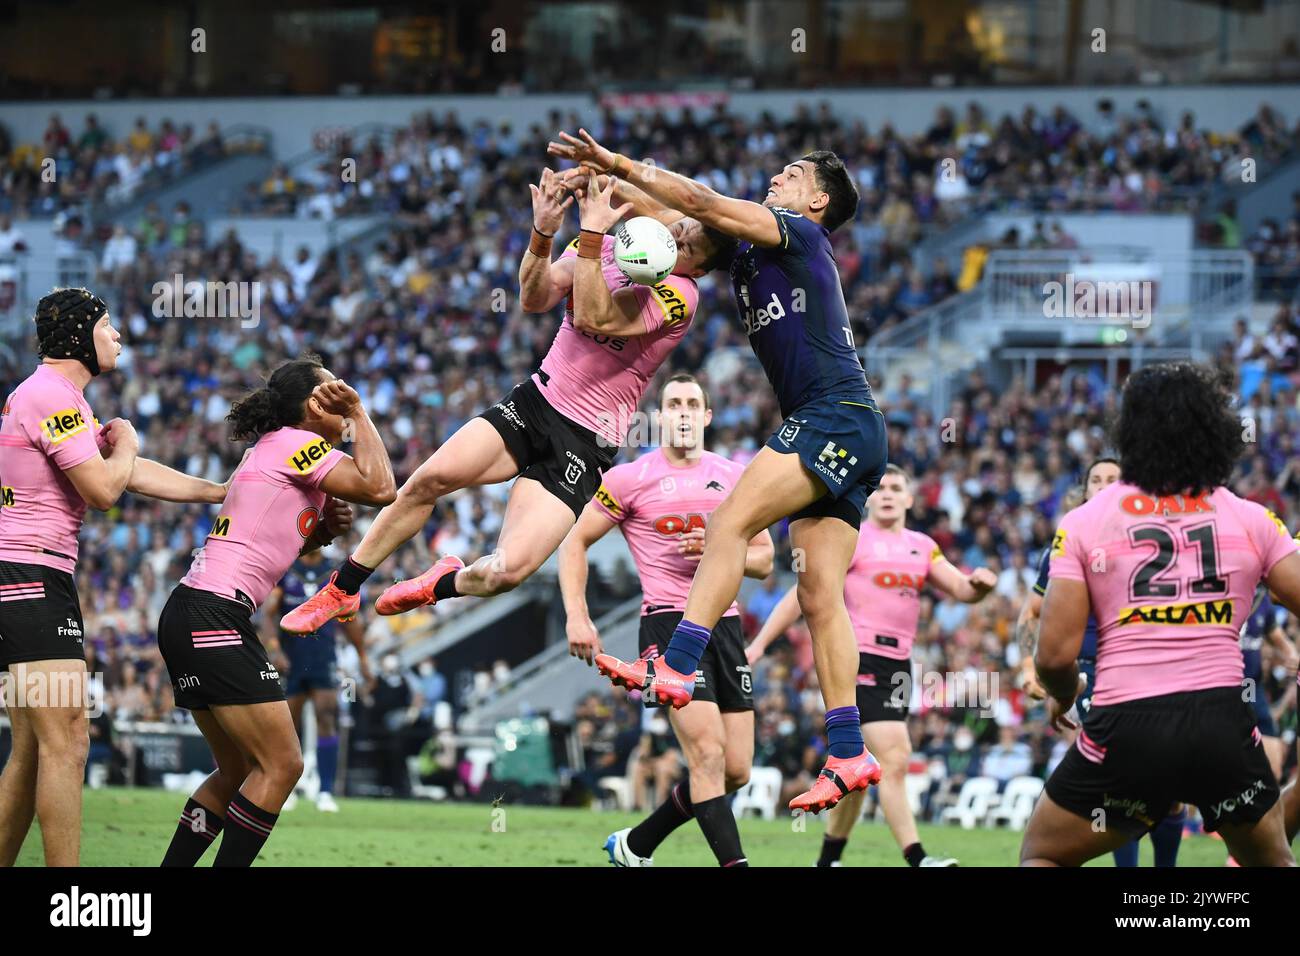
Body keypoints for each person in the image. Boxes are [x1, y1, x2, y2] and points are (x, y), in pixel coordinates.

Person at [550, 129, 889, 812]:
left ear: (816, 199)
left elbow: (703, 198)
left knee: (730, 518)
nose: (778, 178)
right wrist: (608, 189)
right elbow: (693, 215)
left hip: (832, 416)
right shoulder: (749, 247)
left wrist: (617, 161)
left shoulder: (794, 230)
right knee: (821, 597)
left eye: (792, 174)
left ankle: (678, 663)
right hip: (854, 429)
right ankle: (849, 751)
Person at [280, 168, 733, 634]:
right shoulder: (615, 247)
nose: (674, 242)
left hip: (582, 443)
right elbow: (534, 297)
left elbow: (600, 316)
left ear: (697, 269)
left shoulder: (680, 295)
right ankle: (343, 588)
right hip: (537, 400)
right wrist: (544, 233)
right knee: (426, 479)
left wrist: (593, 232)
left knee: (506, 572)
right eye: (676, 230)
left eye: (687, 248)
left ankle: (443, 583)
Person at [1021, 362, 1299, 867]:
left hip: (1127, 722)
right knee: (1272, 862)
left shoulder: (1084, 522)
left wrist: (1065, 695)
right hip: (1222, 723)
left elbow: (1055, 654)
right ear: (1215, 429)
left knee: (1042, 854)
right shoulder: (1251, 517)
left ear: (1130, 432)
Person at [0, 288, 227, 867]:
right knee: (70, 738)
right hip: (29, 576)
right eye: (108, 325)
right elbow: (104, 489)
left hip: (25, 576)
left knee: (31, 749)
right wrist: (126, 441)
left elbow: (123, 473)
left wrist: (217, 492)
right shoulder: (54, 396)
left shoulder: (53, 396)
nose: (118, 335)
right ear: (80, 336)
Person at [158, 355, 396, 867]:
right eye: (333, 391)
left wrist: (324, 533)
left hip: (191, 612)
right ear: (316, 404)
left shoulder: (270, 449)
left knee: (239, 769)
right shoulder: (298, 444)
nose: (343, 399)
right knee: (283, 765)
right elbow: (382, 489)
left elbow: (270, 544)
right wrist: (360, 413)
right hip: (215, 614)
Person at [559, 373, 774, 867]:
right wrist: (577, 614)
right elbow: (574, 540)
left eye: (691, 404)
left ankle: (635, 845)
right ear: (659, 417)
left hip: (725, 626)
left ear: (706, 417)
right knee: (707, 757)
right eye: (672, 403)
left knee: (736, 769)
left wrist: (726, 551)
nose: (681, 412)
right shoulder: (629, 479)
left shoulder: (736, 476)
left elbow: (764, 561)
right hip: (666, 624)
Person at [746, 464, 995, 866]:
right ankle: (919, 858)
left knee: (860, 774)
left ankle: (828, 859)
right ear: (871, 496)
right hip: (856, 658)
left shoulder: (921, 546)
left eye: (898, 487)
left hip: (899, 667)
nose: (890, 494)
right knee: (895, 757)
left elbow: (962, 589)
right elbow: (803, 593)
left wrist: (981, 585)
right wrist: (758, 645)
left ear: (910, 499)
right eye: (882, 488)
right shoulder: (853, 539)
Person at [260, 548, 373, 812]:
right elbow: (268, 614)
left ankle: (325, 791)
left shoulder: (335, 573)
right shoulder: (287, 570)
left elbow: (349, 619)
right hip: (293, 659)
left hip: (323, 657)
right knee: (289, 727)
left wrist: (362, 656)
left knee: (327, 716)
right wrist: (275, 649)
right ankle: (286, 791)